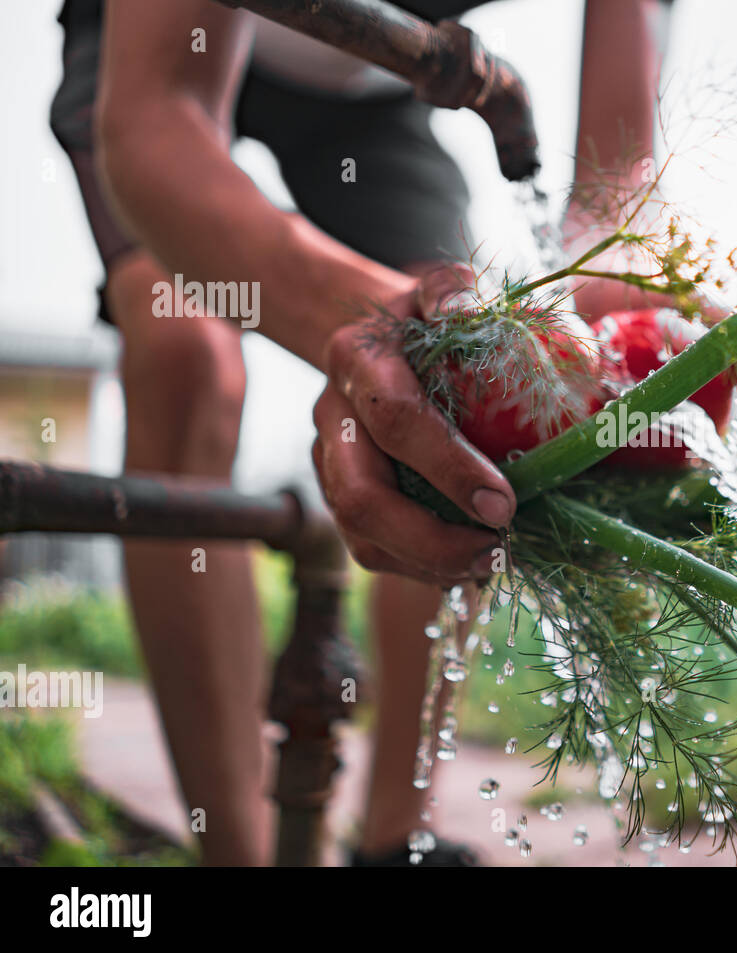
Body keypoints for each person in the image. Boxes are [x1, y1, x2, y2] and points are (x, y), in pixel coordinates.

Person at [51, 0, 673, 865]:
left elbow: (616, 188)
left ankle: (395, 833)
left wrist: (625, 351)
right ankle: (239, 851)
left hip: (374, 93)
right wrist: (377, 330)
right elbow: (161, 116)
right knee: (185, 355)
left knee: (463, 398)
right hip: (158, 57)